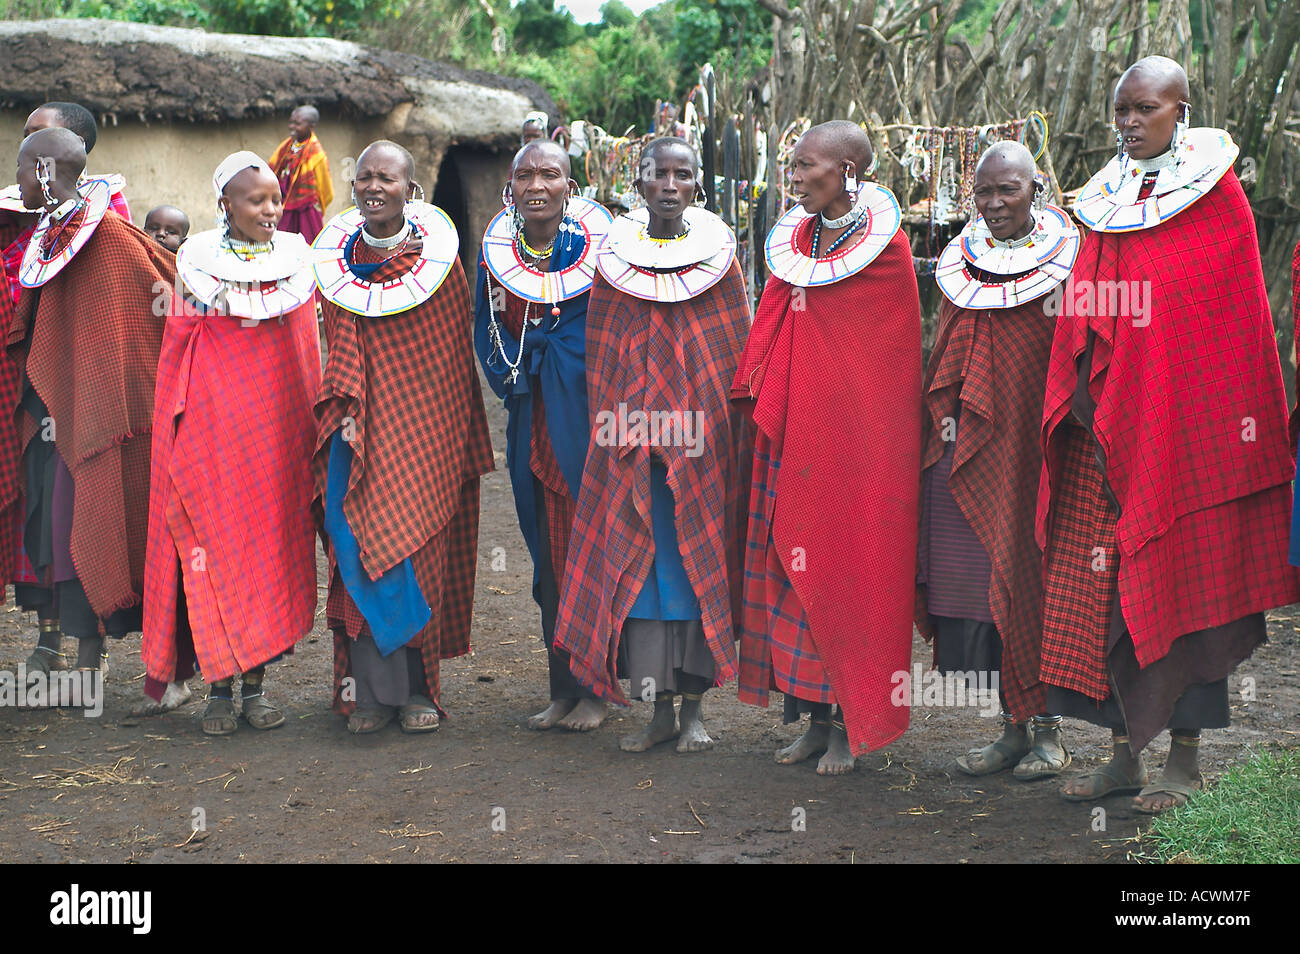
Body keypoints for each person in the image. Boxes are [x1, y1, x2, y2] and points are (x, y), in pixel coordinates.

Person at [1045, 56, 1300, 813]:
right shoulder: (1105, 201)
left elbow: (1232, 328)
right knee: (1105, 591)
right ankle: (1121, 754)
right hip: (1111, 430)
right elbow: (1086, 302)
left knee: (1195, 588)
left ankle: (1184, 760)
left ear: (1180, 111)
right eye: (1120, 111)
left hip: (1196, 437)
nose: (1129, 123)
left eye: (1144, 109)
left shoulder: (1219, 203)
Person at [732, 120, 922, 775]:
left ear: (847, 172)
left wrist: (854, 437)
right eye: (792, 164)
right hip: (795, 442)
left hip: (857, 454)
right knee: (792, 570)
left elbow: (883, 372)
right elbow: (776, 334)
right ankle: (813, 720)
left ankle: (850, 724)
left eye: (806, 165)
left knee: (848, 569)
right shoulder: (796, 245)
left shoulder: (888, 254)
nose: (793, 176)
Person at [555, 137, 753, 752]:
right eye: (657, 174)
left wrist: (703, 426)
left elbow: (731, 350)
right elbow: (605, 351)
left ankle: (695, 712)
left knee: (695, 572)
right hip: (631, 444)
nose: (669, 184)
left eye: (682, 174)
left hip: (700, 447)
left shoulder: (722, 260)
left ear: (699, 185)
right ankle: (659, 711)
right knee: (641, 574)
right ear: (638, 184)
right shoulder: (613, 260)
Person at [312, 140, 494, 734]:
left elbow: (446, 366)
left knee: (417, 554)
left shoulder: (440, 266)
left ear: (410, 192)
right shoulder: (334, 267)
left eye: (386, 178)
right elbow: (336, 350)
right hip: (353, 435)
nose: (372, 187)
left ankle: (418, 691)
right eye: (363, 177)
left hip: (421, 436)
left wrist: (435, 436)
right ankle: (366, 695)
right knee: (357, 548)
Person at [140, 153, 321, 733]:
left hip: (276, 439)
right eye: (255, 200)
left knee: (269, 550)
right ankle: (219, 688)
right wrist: (175, 427)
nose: (270, 209)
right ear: (226, 206)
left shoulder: (297, 264)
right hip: (213, 434)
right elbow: (179, 350)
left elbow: (305, 358)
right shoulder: (196, 268)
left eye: (274, 198)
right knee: (211, 549)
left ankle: (257, 687)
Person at [919, 141, 1079, 779]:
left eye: (1006, 190)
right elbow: (948, 350)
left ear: (1035, 190)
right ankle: (1012, 727)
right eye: (983, 192)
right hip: (973, 443)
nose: (993, 204)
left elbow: (1072, 355)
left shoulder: (1069, 263)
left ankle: (1051, 732)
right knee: (981, 585)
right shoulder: (965, 264)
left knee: (1033, 575)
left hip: (1041, 449)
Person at [8, 127, 173, 689]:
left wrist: (107, 394)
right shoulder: (49, 237)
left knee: (92, 521)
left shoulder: (110, 239)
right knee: (56, 530)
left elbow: (157, 306)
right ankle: (70, 654)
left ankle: (88, 661)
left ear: (49, 173)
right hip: (57, 412)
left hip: (103, 416)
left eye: (25, 167)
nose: (18, 179)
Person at [474, 139, 613, 732]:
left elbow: (616, 329)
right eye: (525, 175)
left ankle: (600, 689)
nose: (536, 184)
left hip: (588, 415)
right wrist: (517, 381)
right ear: (510, 189)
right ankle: (563, 687)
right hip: (531, 409)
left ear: (569, 187)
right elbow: (487, 331)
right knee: (545, 548)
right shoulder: (496, 257)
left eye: (549, 174)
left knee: (592, 538)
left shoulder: (606, 254)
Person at [1, 102, 132, 685]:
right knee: (39, 514)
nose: (23, 152)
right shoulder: (22, 222)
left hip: (85, 397)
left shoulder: (106, 222)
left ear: (68, 152)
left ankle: (88, 648)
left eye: (37, 140)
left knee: (81, 513)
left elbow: (116, 308)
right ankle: (48, 637)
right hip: (29, 395)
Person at [269, 105, 334, 242]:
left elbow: (325, 187)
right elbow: (272, 169)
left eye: (297, 124)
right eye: (291, 122)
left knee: (309, 243)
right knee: (281, 242)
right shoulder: (286, 146)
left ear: (311, 126)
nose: (292, 126)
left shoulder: (317, 154)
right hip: (285, 204)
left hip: (306, 209)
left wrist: (317, 205)